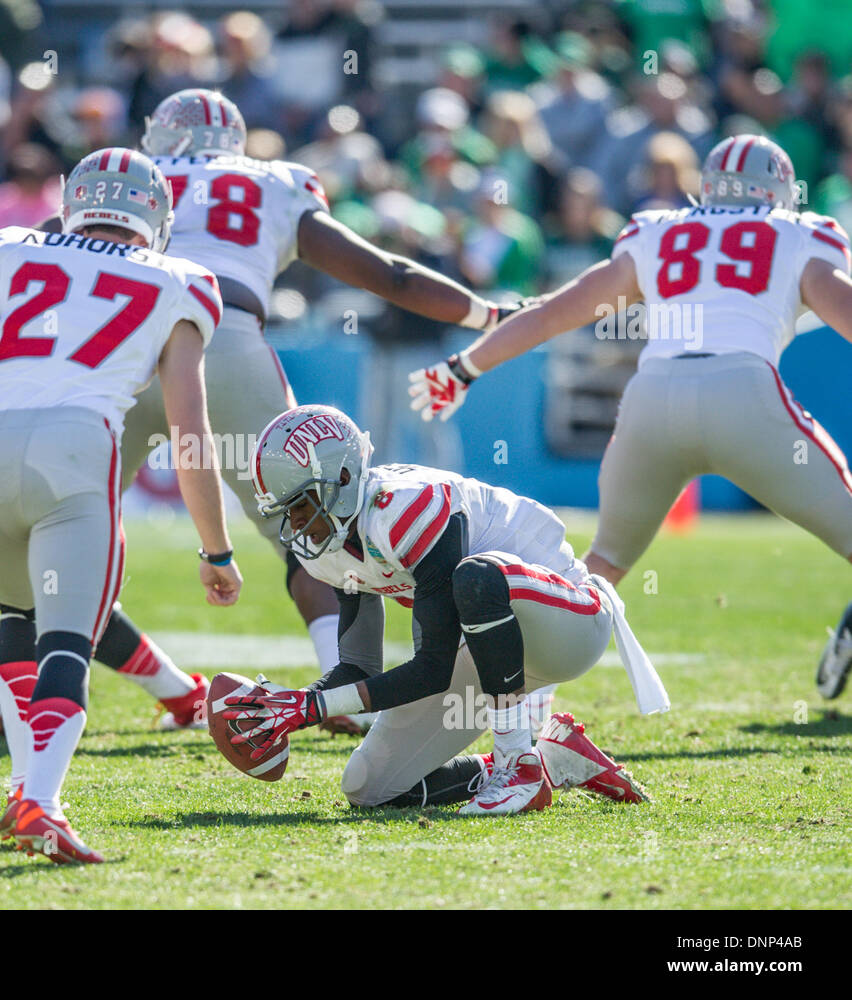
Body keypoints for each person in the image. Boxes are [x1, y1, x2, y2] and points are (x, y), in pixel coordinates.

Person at [0, 147, 242, 863]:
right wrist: (216, 549)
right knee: (66, 641)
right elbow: (190, 431)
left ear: (75, 200)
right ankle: (42, 802)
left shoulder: (17, 248)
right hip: (70, 454)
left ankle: (22, 788)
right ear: (155, 215)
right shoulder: (184, 281)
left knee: (18, 618)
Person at [110, 88, 533, 733]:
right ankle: (346, 683)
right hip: (223, 339)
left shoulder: (127, 178)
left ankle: (34, 692)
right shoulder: (273, 184)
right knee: (311, 521)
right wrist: (485, 314)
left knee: (63, 527)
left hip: (114, 342)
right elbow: (388, 276)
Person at [409, 134, 852, 702]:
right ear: (782, 194)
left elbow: (553, 312)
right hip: (745, 394)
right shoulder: (800, 235)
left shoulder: (659, 231)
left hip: (653, 401)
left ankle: (481, 695)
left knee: (597, 572)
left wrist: (464, 366)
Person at [223, 405, 662, 814]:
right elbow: (358, 667)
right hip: (488, 649)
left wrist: (311, 708)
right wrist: (297, 703)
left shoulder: (404, 506)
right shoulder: (328, 550)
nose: (297, 523)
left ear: (341, 477)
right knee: (368, 787)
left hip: (569, 624)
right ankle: (550, 758)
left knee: (475, 578)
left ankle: (519, 765)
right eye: (286, 511)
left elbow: (432, 666)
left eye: (301, 504)